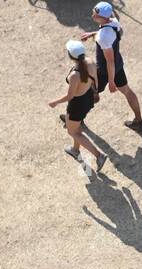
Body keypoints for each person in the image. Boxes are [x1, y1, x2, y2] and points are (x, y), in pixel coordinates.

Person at [83, 3, 142, 132]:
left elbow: (109, 61)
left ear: (104, 18)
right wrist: (93, 33)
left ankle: (75, 119)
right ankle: (139, 121)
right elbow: (108, 33)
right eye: (93, 12)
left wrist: (111, 82)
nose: (93, 16)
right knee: (128, 91)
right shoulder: (113, 21)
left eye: (96, 15)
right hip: (118, 65)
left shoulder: (103, 37)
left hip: (105, 71)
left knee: (88, 94)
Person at [50, 40, 106, 173]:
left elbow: (70, 96)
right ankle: (75, 150)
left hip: (77, 105)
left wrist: (55, 102)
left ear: (71, 56)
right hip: (87, 99)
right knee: (77, 128)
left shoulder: (75, 75)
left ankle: (99, 156)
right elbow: (96, 81)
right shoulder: (91, 61)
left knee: (72, 131)